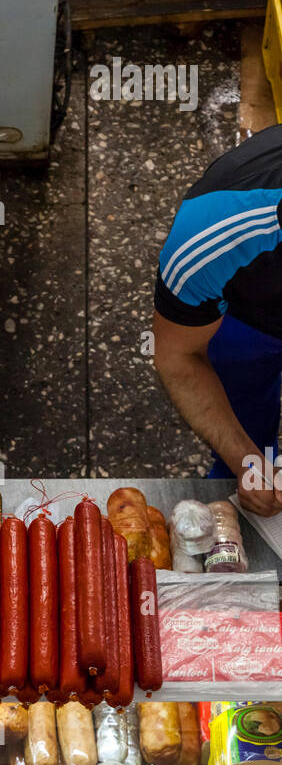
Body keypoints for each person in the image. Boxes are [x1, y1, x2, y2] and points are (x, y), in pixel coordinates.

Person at [153, 124, 282, 514]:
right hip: (252, 321)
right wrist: (245, 462)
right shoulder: (210, 234)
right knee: (245, 408)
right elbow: (179, 357)